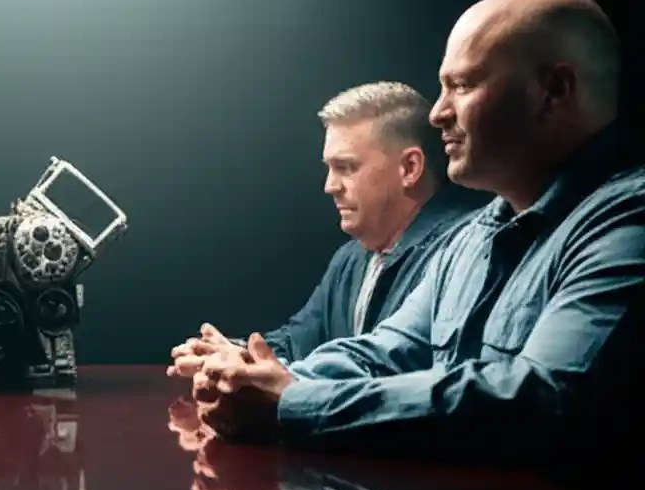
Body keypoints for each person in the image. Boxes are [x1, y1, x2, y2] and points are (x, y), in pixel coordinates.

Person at [193, 0, 638, 469]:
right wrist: (253, 380)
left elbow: (538, 401)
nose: (437, 113)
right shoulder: (474, 238)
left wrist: (289, 402)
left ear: (554, 91)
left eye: (463, 85)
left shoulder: (626, 224)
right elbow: (385, 352)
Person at [169, 81, 482, 380]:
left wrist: (258, 371)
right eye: (329, 169)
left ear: (410, 168)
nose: (330, 186)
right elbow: (297, 341)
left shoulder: (465, 252)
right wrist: (232, 355)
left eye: (346, 167)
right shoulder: (351, 257)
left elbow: (394, 371)